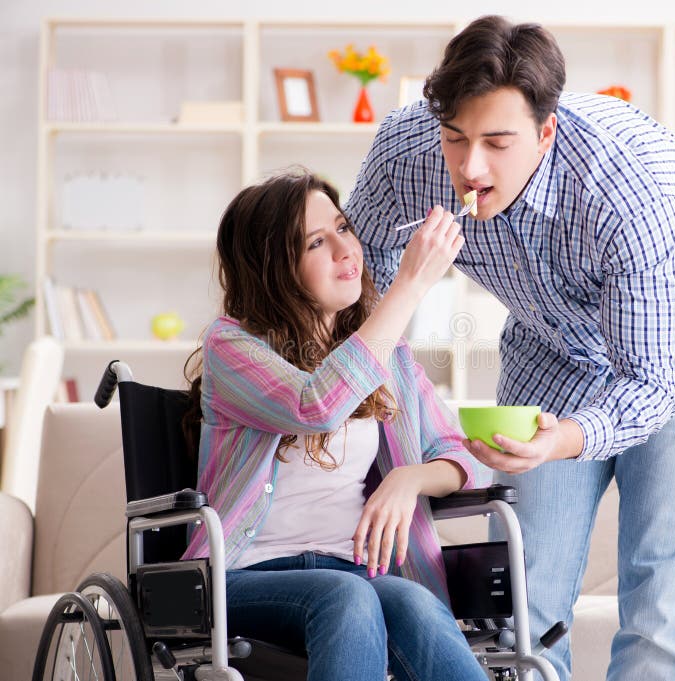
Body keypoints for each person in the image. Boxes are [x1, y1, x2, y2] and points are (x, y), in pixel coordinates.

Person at [345, 15, 675, 681]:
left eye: (497, 143)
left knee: (660, 606)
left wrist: (561, 438)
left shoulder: (629, 188)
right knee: (521, 606)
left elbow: (648, 383)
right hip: (549, 342)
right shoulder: (407, 155)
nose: (471, 167)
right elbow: (352, 288)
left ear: (546, 132)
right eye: (456, 138)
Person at [181, 168, 492, 681]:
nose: (346, 251)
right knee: (346, 596)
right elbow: (316, 405)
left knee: (413, 602)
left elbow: (466, 458)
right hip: (241, 575)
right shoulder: (231, 346)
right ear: (274, 268)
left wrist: (407, 479)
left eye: (344, 228)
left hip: (350, 569)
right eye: (316, 243)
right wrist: (410, 286)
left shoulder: (388, 357)